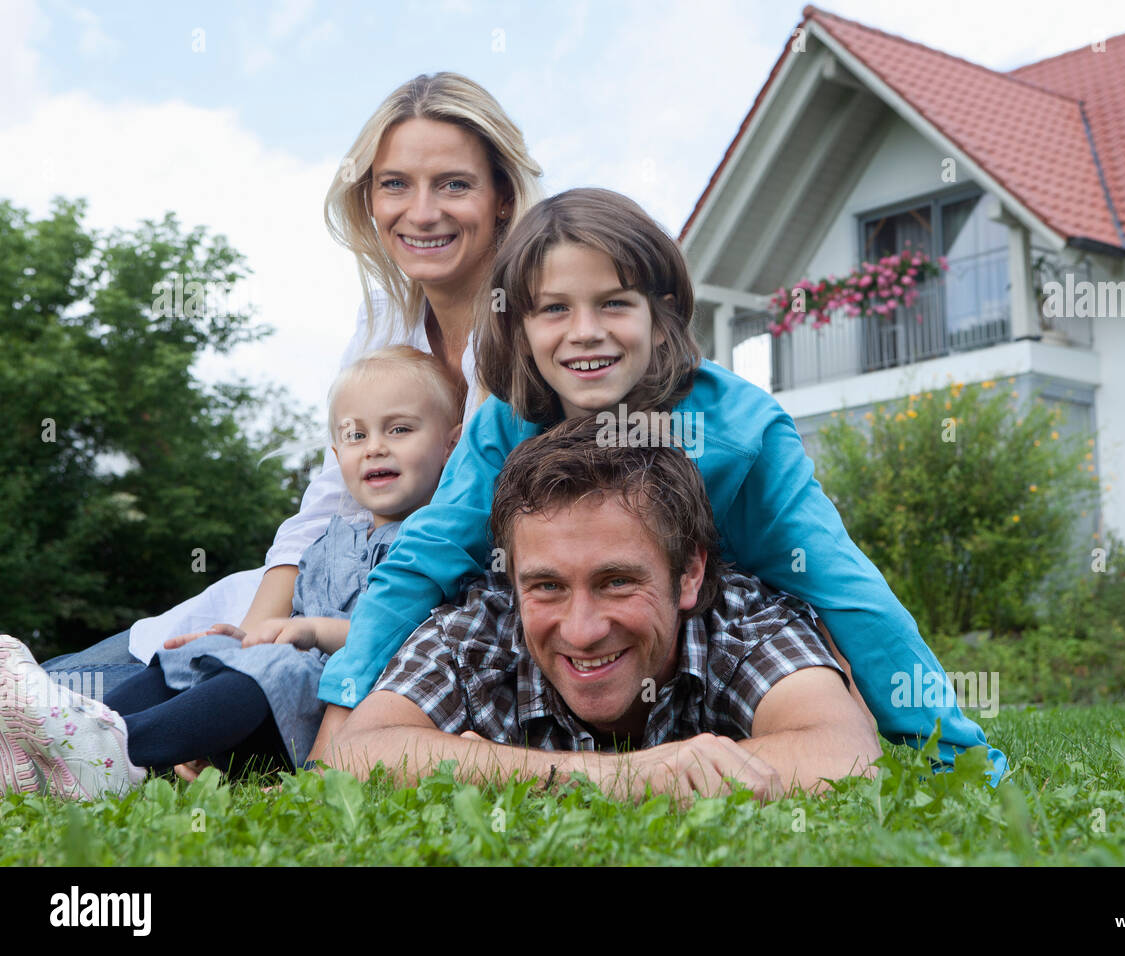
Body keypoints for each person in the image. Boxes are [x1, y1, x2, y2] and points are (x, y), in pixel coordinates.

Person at [313, 187, 1007, 784]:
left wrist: (949, 749)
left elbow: (838, 581)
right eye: (553, 309)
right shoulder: (504, 421)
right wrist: (340, 717)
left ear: (661, 310)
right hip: (581, 648)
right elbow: (424, 556)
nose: (585, 333)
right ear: (518, 329)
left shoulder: (742, 428)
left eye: (613, 303)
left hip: (714, 627)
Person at [39, 73, 543, 697]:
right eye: (395, 184)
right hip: (334, 579)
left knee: (94, 702)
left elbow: (474, 525)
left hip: (436, 607)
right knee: (59, 680)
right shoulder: (385, 319)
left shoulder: (540, 324)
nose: (422, 211)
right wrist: (249, 638)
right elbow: (332, 497)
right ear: (368, 200)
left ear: (500, 195)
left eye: (454, 184)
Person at [325, 416, 881, 801]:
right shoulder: (477, 628)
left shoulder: (742, 619)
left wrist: (488, 771)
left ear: (689, 572)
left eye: (616, 582)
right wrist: (625, 777)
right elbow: (357, 754)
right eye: (546, 587)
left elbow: (847, 754)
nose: (583, 630)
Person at [0, 347, 461, 800]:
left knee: (276, 662)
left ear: (452, 444)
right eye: (355, 436)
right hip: (276, 699)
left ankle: (115, 751)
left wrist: (310, 630)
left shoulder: (435, 544)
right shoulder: (331, 540)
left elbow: (409, 640)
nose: (375, 447)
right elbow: (284, 623)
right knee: (203, 650)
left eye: (399, 429)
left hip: (340, 709)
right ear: (336, 453)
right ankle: (75, 732)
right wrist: (240, 642)